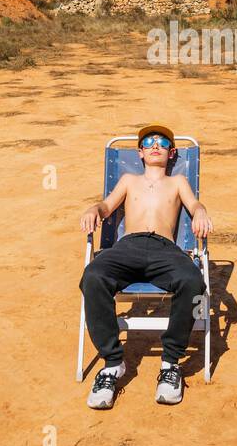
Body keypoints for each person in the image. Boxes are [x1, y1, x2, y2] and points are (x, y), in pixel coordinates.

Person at [78, 123, 212, 408]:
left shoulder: (177, 183)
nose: (155, 146)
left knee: (193, 282)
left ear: (171, 152)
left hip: (166, 249)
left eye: (162, 143)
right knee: (93, 276)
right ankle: (113, 364)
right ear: (140, 152)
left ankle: (170, 363)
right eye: (149, 142)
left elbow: (194, 205)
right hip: (128, 246)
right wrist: (94, 209)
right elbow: (107, 206)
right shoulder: (128, 179)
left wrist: (201, 212)